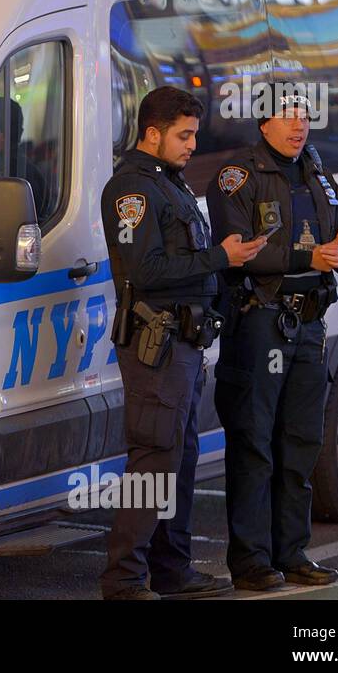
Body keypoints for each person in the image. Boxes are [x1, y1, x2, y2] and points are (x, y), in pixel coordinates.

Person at [99, 86, 267, 600]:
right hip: (158, 342)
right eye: (184, 135)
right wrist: (221, 257)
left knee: (181, 457)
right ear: (154, 133)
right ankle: (125, 579)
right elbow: (145, 271)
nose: (194, 144)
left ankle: (172, 570)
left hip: (185, 343)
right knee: (153, 456)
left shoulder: (167, 183)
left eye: (195, 134)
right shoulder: (133, 190)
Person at [205, 95, 338, 591]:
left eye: (304, 117)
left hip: (309, 326)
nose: (299, 127)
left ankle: (292, 552)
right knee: (254, 443)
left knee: (301, 442)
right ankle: (251, 561)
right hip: (260, 324)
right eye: (288, 117)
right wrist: (306, 258)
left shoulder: (317, 172)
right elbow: (239, 253)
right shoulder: (237, 177)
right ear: (263, 122)